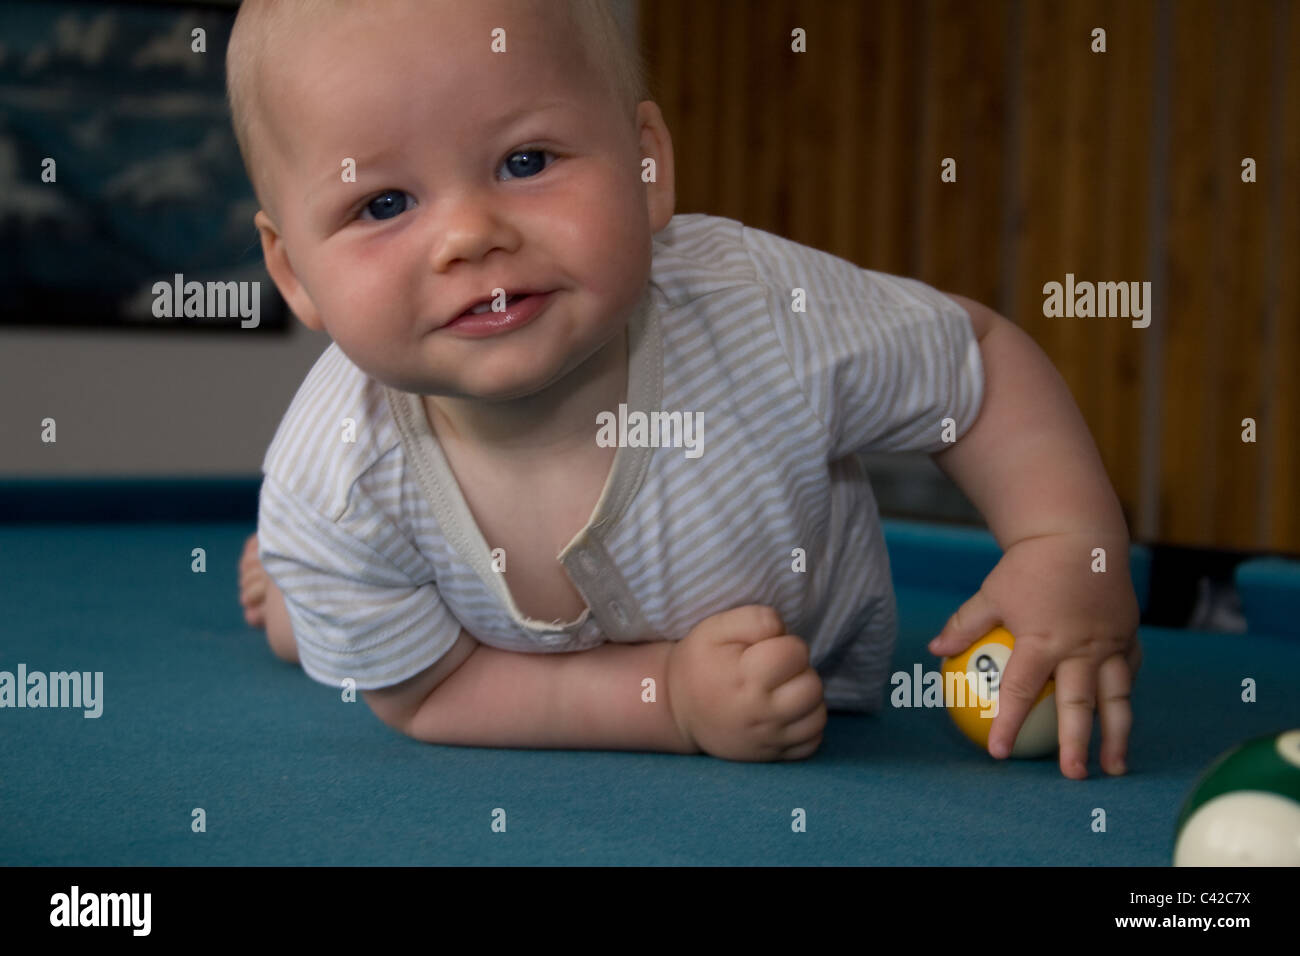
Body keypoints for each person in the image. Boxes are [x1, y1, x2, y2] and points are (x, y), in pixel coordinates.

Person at [231, 0, 1140, 772]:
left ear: (646, 165)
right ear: (295, 272)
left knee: (338, 597)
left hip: (819, 666)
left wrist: (1065, 543)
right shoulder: (333, 479)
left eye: (526, 161)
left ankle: (304, 602)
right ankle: (297, 598)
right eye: (382, 204)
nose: (469, 234)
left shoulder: (764, 315)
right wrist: (665, 701)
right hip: (414, 603)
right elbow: (429, 693)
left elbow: (973, 360)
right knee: (340, 623)